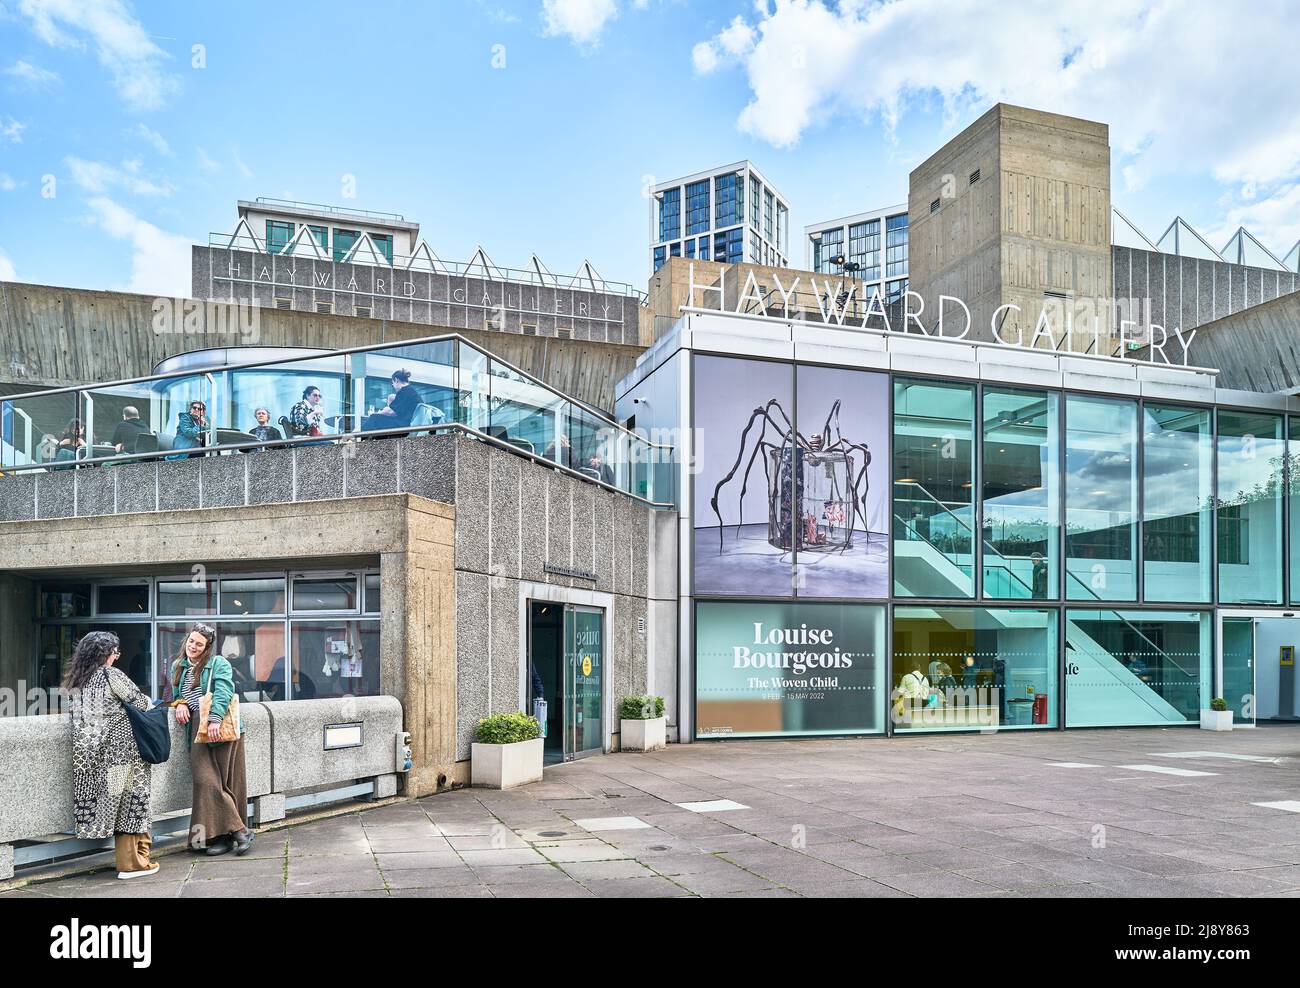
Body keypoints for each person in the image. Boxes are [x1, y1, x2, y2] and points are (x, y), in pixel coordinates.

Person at [65, 630, 159, 880]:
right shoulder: (110, 675)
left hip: (90, 757)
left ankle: (131, 859)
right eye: (115, 652)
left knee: (115, 805)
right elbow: (140, 702)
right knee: (131, 802)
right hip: (122, 752)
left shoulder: (77, 681)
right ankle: (132, 864)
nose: (116, 657)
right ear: (105, 654)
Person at [169, 622, 253, 857]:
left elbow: (224, 690)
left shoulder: (218, 663)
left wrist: (214, 719)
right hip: (195, 729)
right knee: (207, 781)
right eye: (191, 641)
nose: (193, 646)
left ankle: (222, 838)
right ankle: (240, 831)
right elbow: (177, 695)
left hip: (221, 727)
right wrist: (180, 704)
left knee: (227, 782)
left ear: (207, 647)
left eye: (199, 644)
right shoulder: (178, 666)